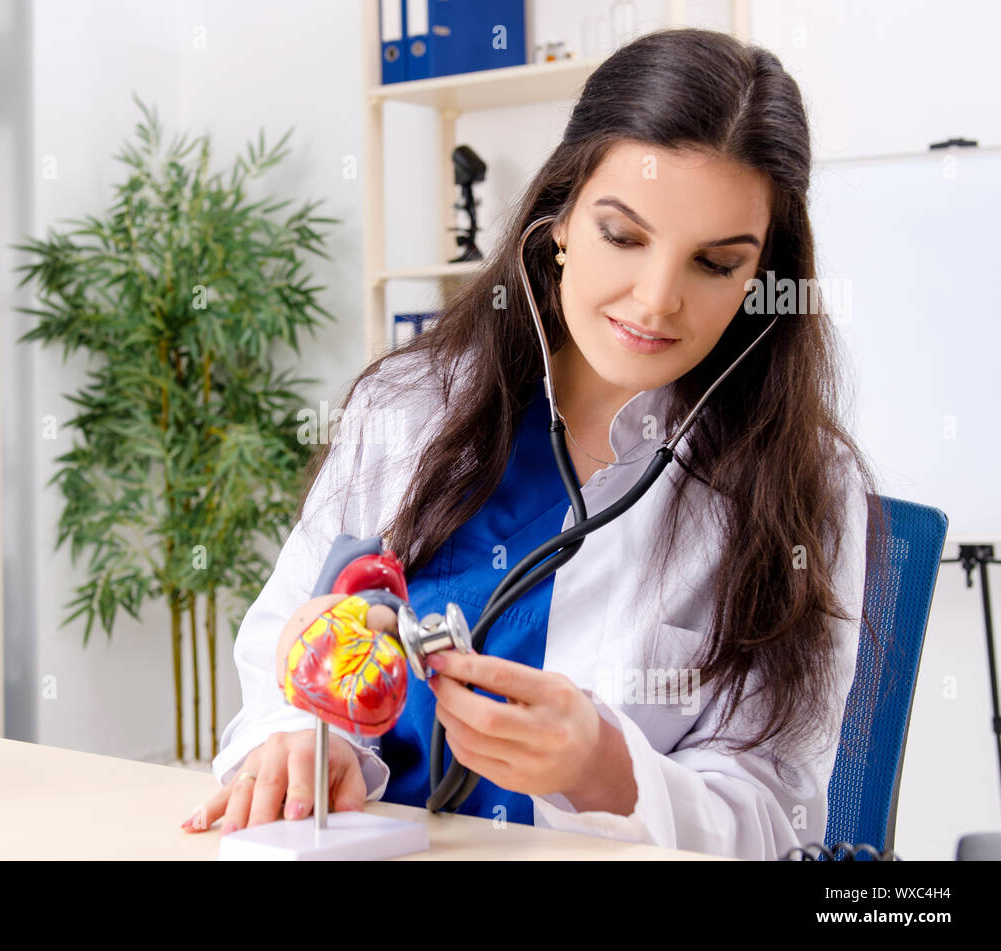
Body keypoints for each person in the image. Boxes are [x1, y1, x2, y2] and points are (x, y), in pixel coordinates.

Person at [181, 27, 887, 860]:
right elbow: (284, 635)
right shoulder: (407, 405)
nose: (657, 300)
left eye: (715, 263)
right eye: (623, 235)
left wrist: (608, 771)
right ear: (560, 219)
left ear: (762, 277)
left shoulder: (802, 486)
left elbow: (778, 816)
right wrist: (300, 739)